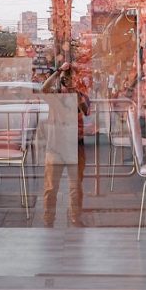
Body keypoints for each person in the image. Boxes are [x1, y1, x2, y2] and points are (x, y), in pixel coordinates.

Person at [41, 62, 89, 227]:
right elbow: (43, 89)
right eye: (64, 79)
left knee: (76, 186)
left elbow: (86, 110)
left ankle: (76, 219)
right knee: (51, 187)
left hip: (76, 145)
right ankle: (48, 220)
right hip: (56, 146)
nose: (66, 81)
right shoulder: (55, 96)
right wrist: (57, 72)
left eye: (69, 78)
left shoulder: (79, 95)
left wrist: (74, 89)